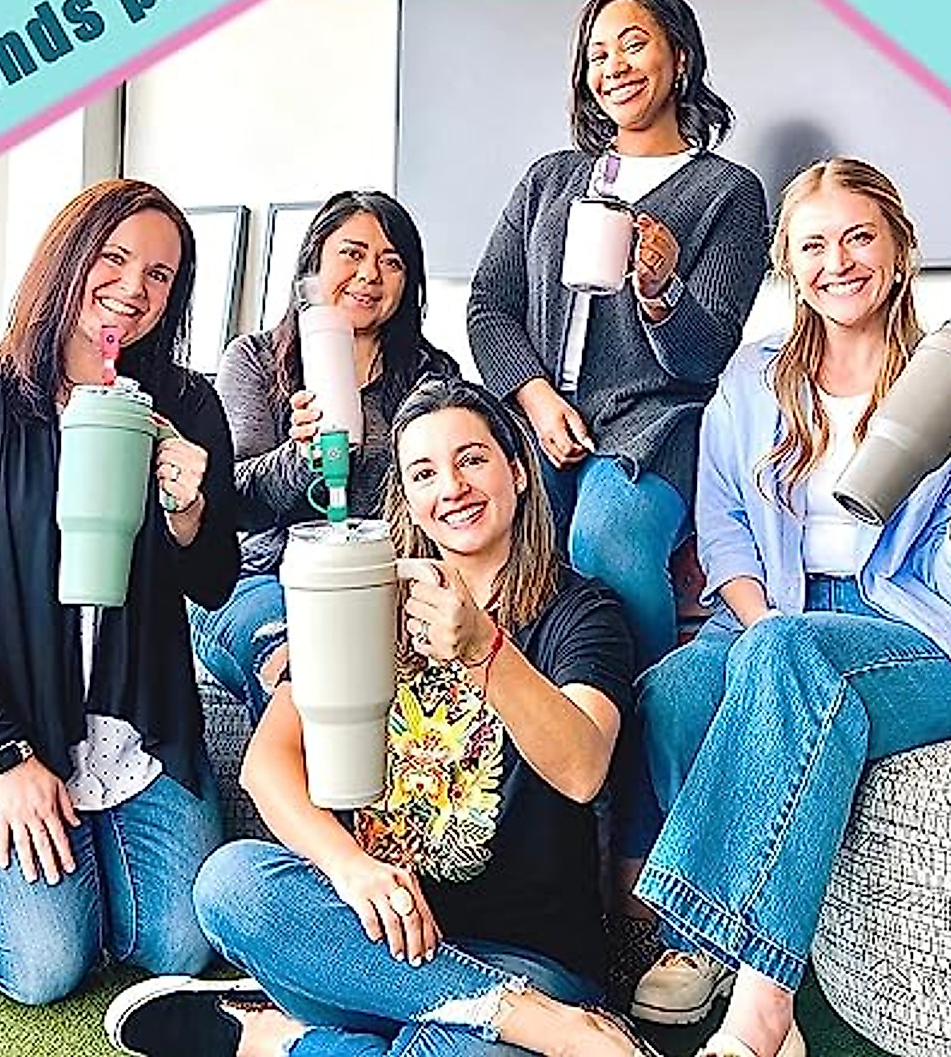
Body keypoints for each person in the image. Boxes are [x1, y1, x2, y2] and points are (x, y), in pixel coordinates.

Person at [626, 159, 951, 1057]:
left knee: (787, 660)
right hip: (769, 607)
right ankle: (717, 940)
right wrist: (762, 621)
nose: (838, 262)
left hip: (912, 630)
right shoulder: (752, 380)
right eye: (814, 245)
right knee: (676, 691)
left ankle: (759, 1000)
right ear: (789, 263)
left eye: (859, 238)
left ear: (898, 253)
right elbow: (724, 525)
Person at [103, 378, 655, 1057]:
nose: (452, 487)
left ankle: (281, 1040)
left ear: (517, 471)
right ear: (408, 500)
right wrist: (351, 869)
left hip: (530, 957)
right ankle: (530, 1026)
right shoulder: (367, 595)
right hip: (376, 947)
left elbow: (582, 768)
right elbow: (267, 764)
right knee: (231, 883)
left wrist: (484, 649)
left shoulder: (583, 613)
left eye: (472, 459)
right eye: (424, 473)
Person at [0, 178, 240, 1006]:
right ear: (69, 256)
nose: (133, 287)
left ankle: (80, 859)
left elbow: (215, 580)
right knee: (48, 966)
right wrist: (7, 760)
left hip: (129, 723)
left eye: (160, 274)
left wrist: (189, 510)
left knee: (179, 946)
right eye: (114, 258)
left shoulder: (184, 406)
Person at [466, 0, 769, 670]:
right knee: (498, 541)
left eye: (634, 44)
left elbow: (705, 356)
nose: (614, 68)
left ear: (680, 58)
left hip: (655, 425)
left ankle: (636, 720)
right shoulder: (549, 180)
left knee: (607, 539)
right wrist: (535, 398)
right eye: (597, 55)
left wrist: (661, 290)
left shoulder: (727, 192)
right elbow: (488, 304)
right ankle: (530, 722)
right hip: (539, 418)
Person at [190, 190, 457, 721]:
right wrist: (301, 456)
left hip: (379, 577)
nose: (369, 275)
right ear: (314, 262)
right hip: (262, 581)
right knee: (303, 665)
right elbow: (233, 501)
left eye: (391, 262)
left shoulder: (431, 377)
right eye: (352, 254)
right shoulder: (256, 361)